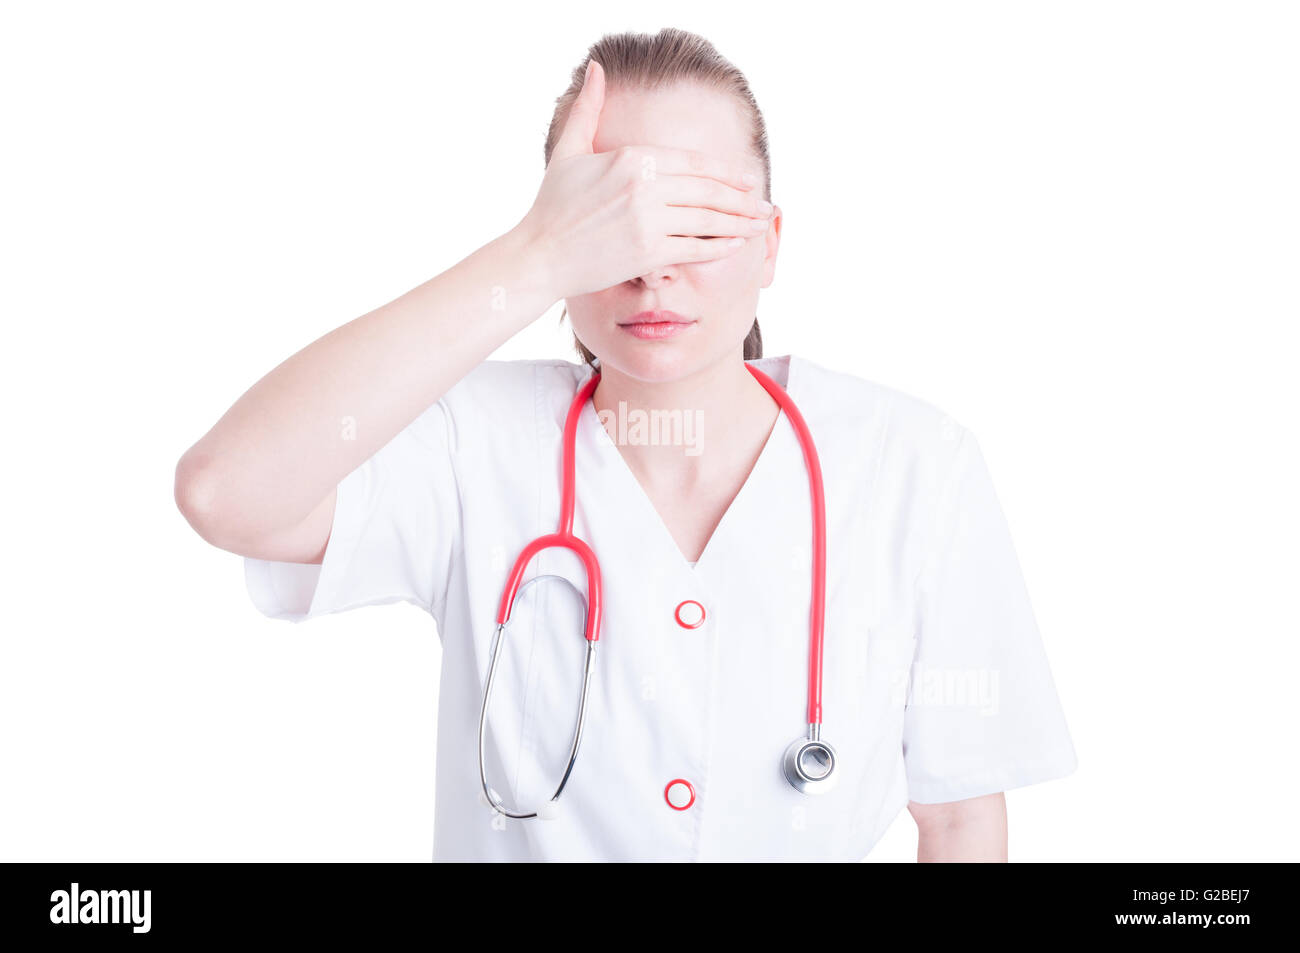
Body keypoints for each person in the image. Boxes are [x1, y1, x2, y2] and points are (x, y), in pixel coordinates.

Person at [174, 27, 1077, 862]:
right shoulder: (473, 445)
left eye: (696, 218)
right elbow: (225, 491)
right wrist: (533, 255)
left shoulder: (916, 467)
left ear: (770, 245)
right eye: (614, 219)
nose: (654, 265)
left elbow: (959, 815)